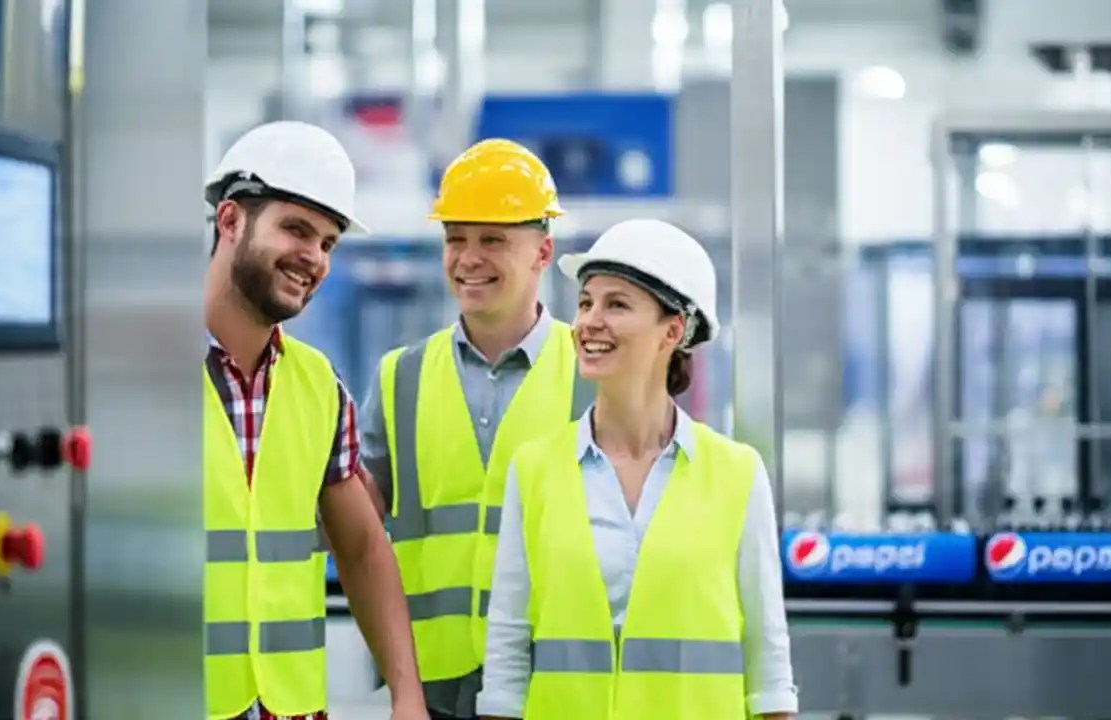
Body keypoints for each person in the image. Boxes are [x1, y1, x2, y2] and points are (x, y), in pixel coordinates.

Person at [476, 218, 798, 720]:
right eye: (586, 303)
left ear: (673, 330)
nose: (589, 321)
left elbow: (769, 664)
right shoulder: (535, 471)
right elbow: (506, 656)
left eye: (617, 304)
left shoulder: (737, 474)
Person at [202, 120, 430, 720]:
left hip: (291, 709)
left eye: (328, 243)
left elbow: (362, 548)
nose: (314, 258)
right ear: (230, 221)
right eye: (296, 229)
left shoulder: (318, 385)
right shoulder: (141, 370)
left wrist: (406, 692)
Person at [360, 138, 591, 720]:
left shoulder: (592, 373)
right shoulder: (400, 378)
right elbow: (358, 536)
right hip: (432, 686)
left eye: (493, 240)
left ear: (543, 251)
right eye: (455, 238)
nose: (468, 258)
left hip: (558, 683)